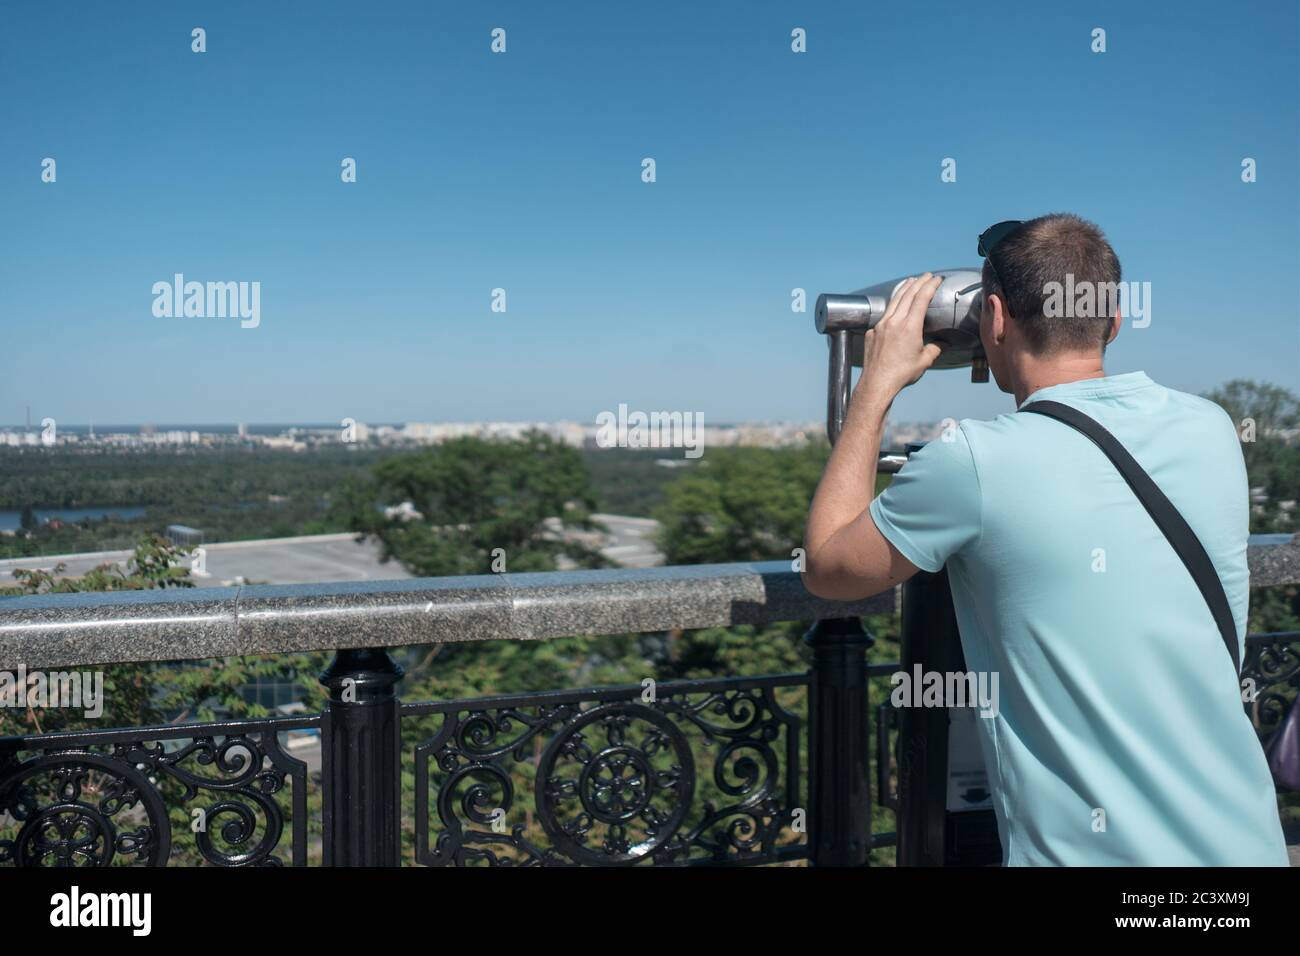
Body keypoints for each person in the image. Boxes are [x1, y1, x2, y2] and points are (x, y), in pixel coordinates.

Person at [802, 213, 1289, 866]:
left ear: (994, 318)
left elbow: (829, 568)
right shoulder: (1211, 429)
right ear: (1114, 322)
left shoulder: (972, 463)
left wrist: (875, 389)